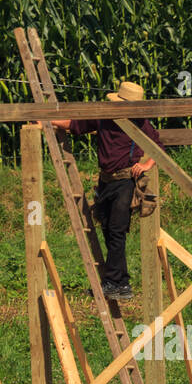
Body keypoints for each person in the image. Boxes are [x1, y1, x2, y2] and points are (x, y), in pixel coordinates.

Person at [50, 81, 158, 301]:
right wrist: (49, 121)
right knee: (109, 229)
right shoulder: (103, 116)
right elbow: (74, 125)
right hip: (106, 181)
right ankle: (121, 282)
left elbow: (157, 145)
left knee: (117, 229)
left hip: (127, 180)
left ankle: (114, 283)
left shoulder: (139, 122)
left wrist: (147, 165)